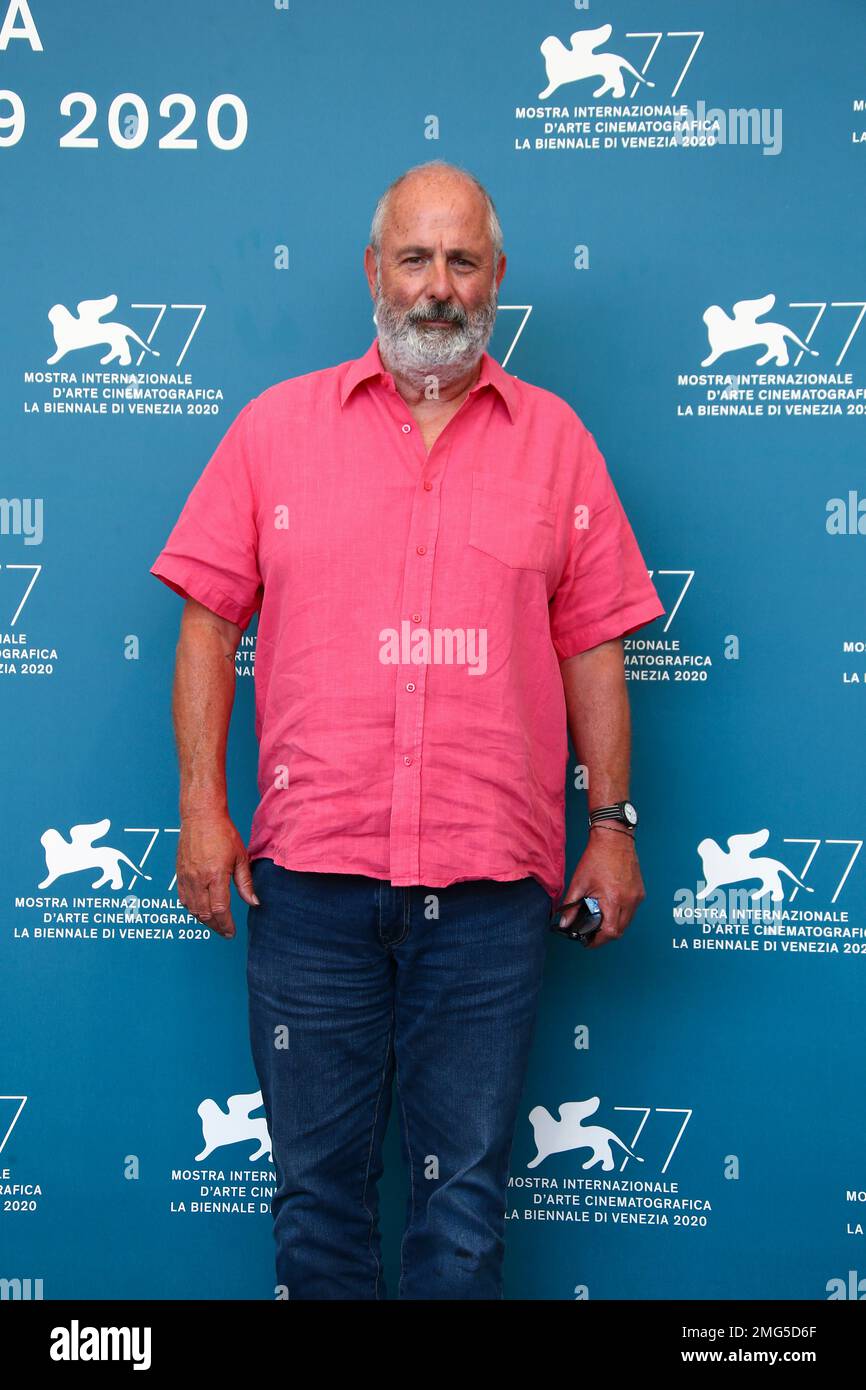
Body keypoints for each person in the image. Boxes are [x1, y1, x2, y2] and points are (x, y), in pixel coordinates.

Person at [149, 158, 665, 1300]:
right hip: (311, 889)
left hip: (487, 898)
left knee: (465, 1209)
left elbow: (592, 642)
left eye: (462, 261)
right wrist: (198, 808)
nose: (438, 286)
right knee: (317, 1202)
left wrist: (612, 825)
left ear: (496, 280)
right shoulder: (272, 433)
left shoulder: (557, 443)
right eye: (416, 258)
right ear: (372, 270)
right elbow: (204, 626)